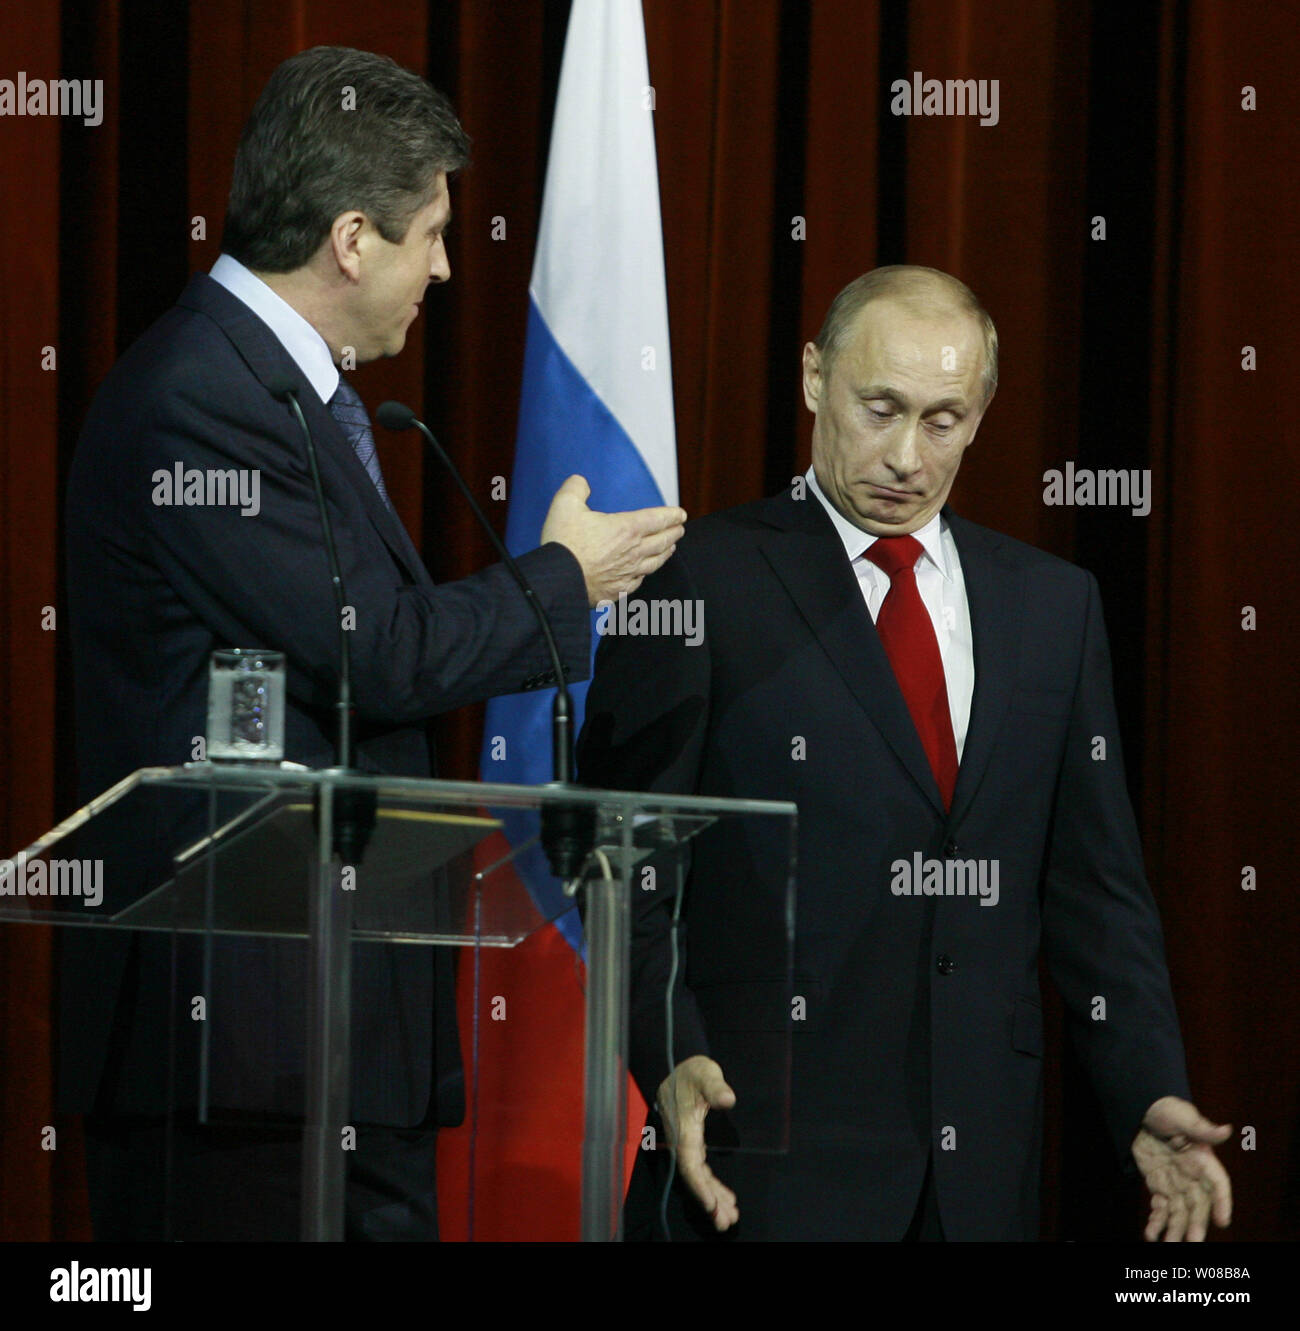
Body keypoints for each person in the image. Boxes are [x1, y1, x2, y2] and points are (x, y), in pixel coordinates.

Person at [62, 45, 685, 1241]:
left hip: (344, 1037)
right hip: (238, 1054)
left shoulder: (290, 395)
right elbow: (376, 652)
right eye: (433, 235)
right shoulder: (197, 396)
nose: (445, 268)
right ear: (353, 239)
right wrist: (570, 578)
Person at [578, 265, 1232, 1241]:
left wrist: (1145, 1085)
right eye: (878, 407)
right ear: (812, 378)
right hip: (759, 1154)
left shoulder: (1053, 608)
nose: (905, 454)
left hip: (979, 1170)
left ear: (980, 413)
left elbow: (1097, 888)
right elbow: (614, 853)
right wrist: (666, 1053)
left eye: (941, 418)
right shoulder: (699, 580)